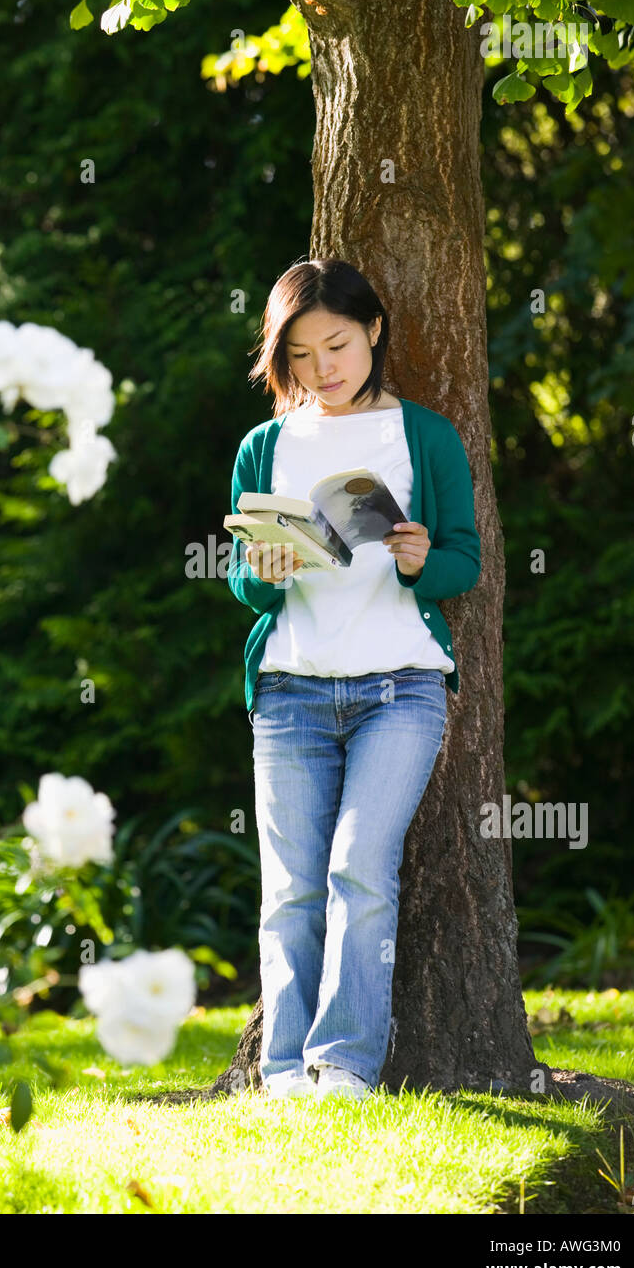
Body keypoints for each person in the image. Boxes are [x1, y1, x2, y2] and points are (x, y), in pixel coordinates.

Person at [227, 258, 481, 1102]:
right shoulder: (266, 446)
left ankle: (344, 1065)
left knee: (359, 868)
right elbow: (245, 583)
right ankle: (284, 1071)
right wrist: (264, 569)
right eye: (300, 356)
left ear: (373, 330)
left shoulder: (425, 436)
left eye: (336, 344)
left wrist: (418, 558)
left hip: (399, 690)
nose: (322, 369)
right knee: (291, 887)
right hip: (291, 692)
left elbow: (464, 565)